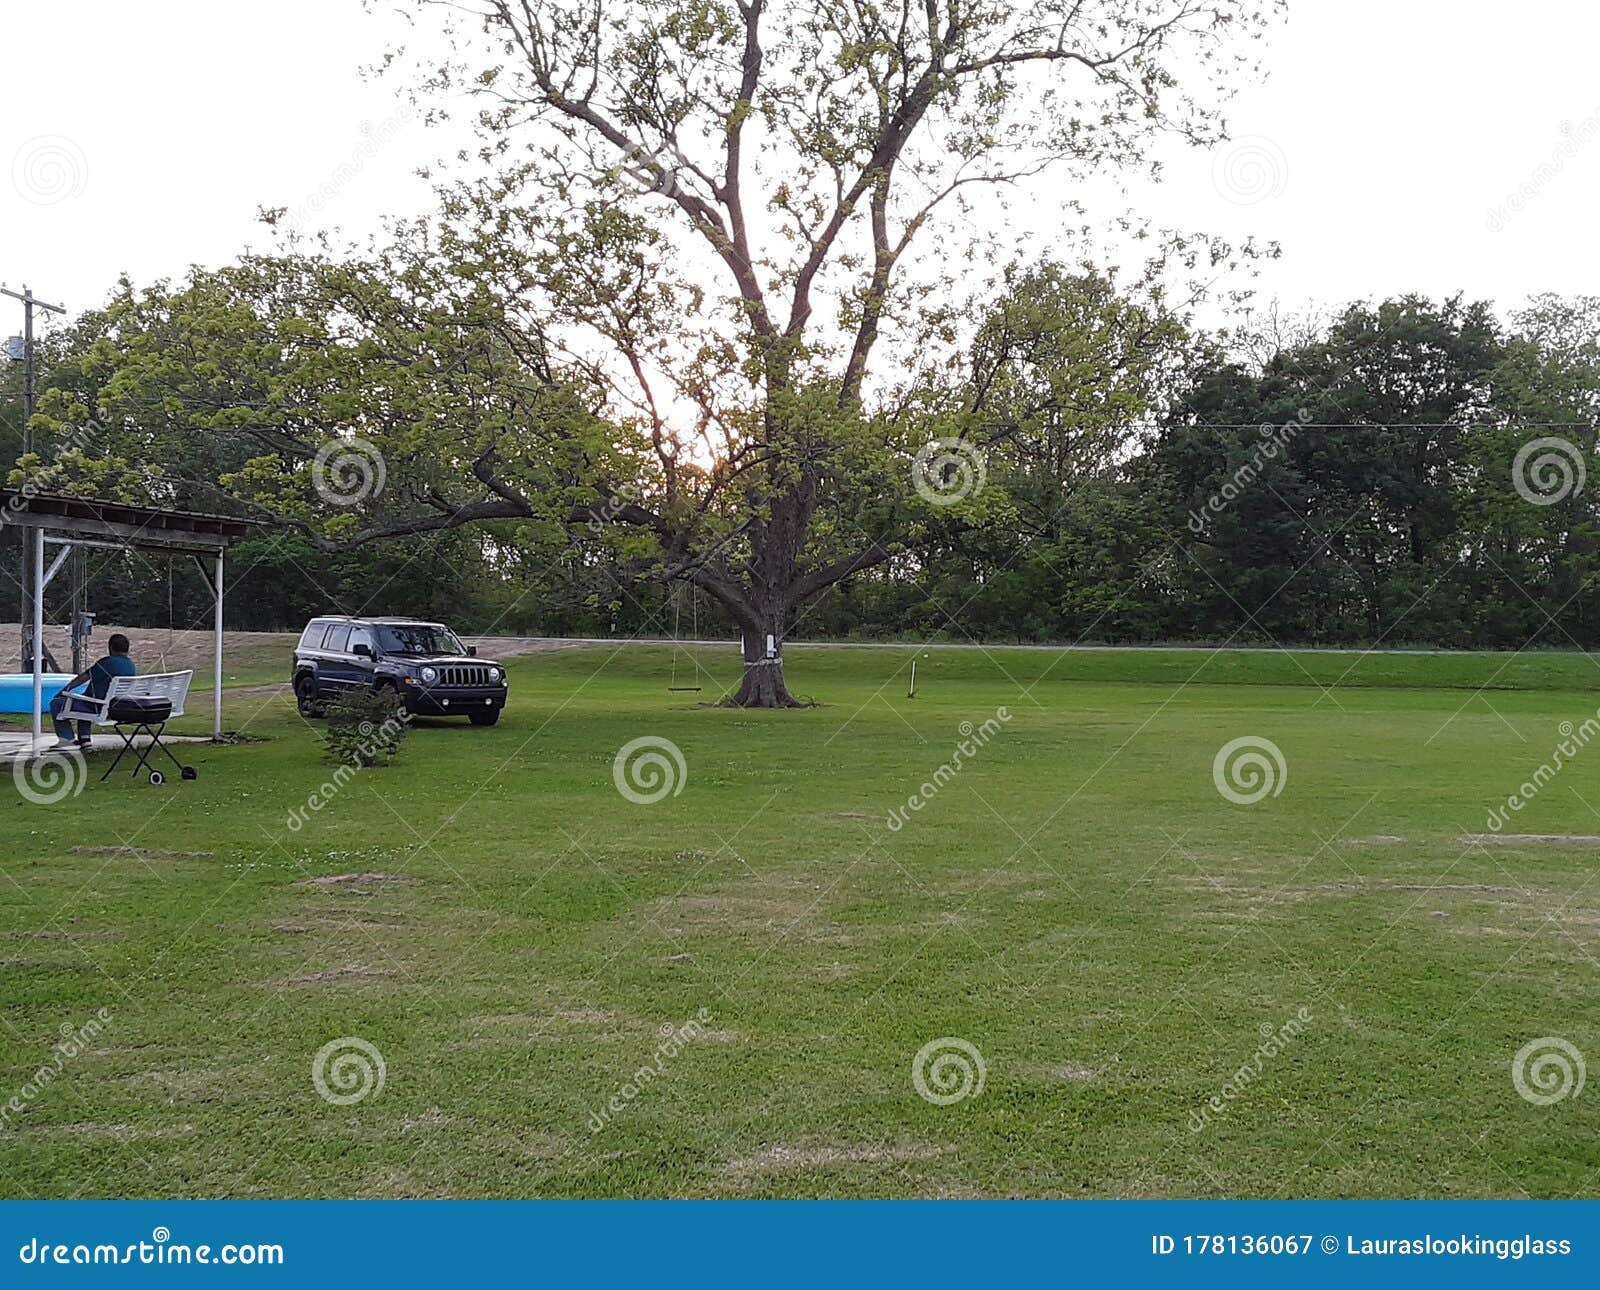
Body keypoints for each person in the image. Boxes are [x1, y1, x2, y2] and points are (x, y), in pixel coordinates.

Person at [49, 633, 137, 750]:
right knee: (85, 699)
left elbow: (83, 677)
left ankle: (66, 739)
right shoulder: (131, 665)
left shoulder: (106, 662)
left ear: (110, 647)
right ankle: (84, 740)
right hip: (119, 708)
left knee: (57, 703)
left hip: (99, 708)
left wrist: (64, 690)